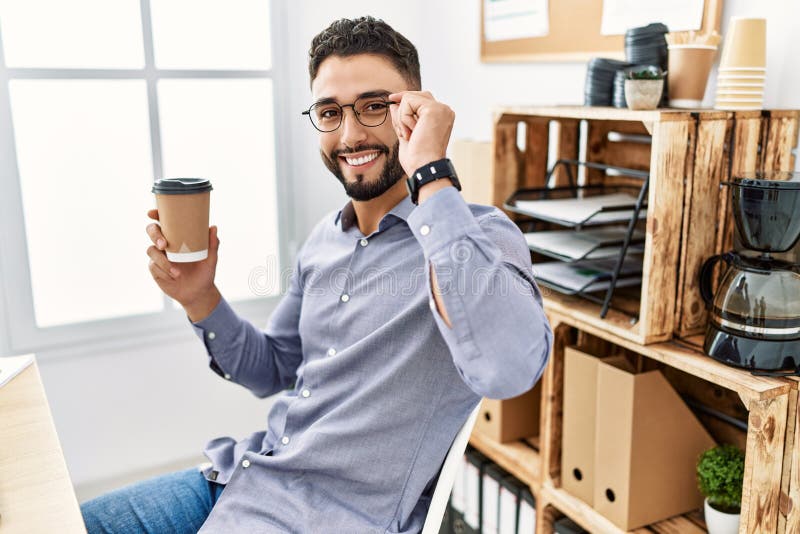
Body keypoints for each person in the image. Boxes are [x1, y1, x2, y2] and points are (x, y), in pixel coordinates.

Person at [81, 16, 552, 533]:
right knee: (66, 520)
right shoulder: (324, 242)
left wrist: (431, 172)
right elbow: (273, 368)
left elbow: (509, 369)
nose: (350, 135)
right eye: (331, 113)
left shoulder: (477, 235)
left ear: (416, 110)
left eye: (375, 107)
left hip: (326, 516)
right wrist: (201, 297)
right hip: (244, 474)